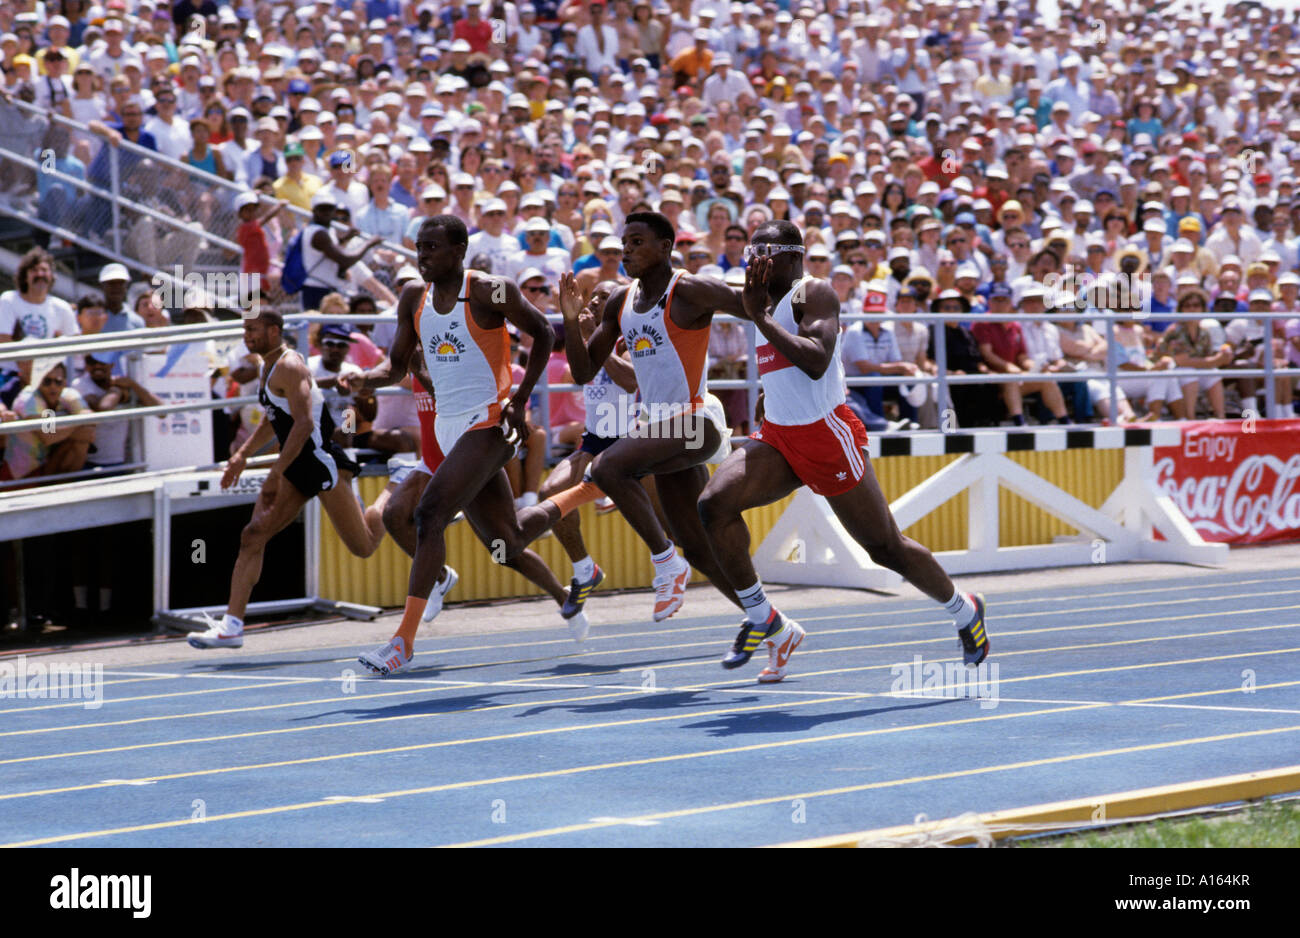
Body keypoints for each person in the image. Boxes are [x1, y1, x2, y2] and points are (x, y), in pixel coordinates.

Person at [696, 221, 989, 684]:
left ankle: (963, 608)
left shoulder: (814, 292)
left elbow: (815, 360)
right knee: (713, 505)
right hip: (778, 435)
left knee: (884, 548)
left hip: (827, 435)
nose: (754, 259)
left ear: (794, 254)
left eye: (764, 250)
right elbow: (767, 359)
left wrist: (761, 319)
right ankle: (767, 621)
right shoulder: (759, 300)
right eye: (750, 251)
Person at [341, 215, 557, 675]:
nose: (422, 256)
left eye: (433, 247)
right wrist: (365, 378)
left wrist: (520, 399)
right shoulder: (412, 298)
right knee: (507, 541)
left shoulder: (489, 291)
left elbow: (544, 333)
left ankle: (403, 641)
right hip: (448, 427)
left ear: (459, 250)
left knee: (428, 514)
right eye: (419, 247)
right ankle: (579, 500)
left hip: (493, 421)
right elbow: (397, 367)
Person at [521, 211, 742, 623]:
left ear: (666, 247)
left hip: (696, 423)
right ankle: (768, 619)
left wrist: (795, 308)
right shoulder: (623, 303)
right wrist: (571, 322)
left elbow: (751, 307)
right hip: (654, 429)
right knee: (696, 544)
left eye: (637, 241)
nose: (627, 249)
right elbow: (584, 371)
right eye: (625, 242)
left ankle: (665, 562)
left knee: (609, 469)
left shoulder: (689, 290)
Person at [187, 310, 388, 649]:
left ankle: (395, 490)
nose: (246, 336)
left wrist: (274, 474)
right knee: (252, 535)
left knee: (364, 546)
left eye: (253, 329)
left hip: (320, 463)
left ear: (274, 330)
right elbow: (274, 418)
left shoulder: (290, 366)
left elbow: (305, 424)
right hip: (296, 464)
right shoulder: (268, 365)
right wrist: (242, 455)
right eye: (244, 330)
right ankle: (232, 626)